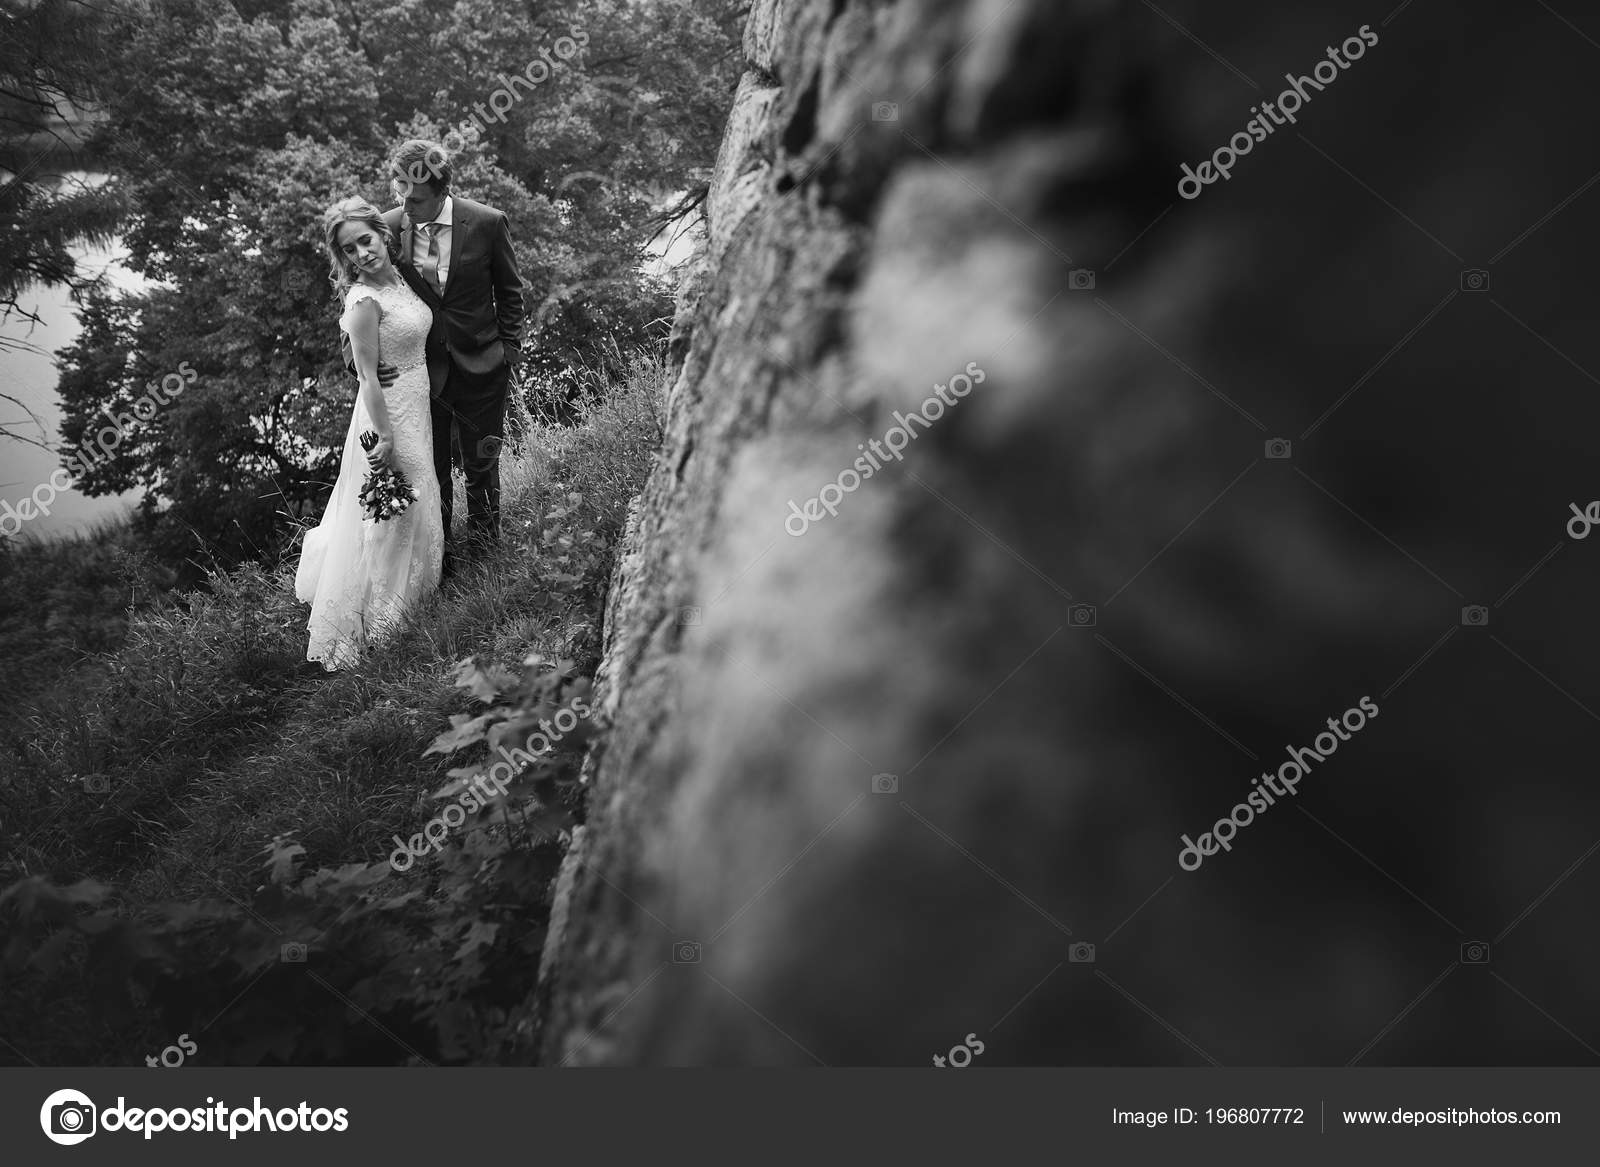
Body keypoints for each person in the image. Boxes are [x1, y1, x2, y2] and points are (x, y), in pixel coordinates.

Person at [295, 197, 444, 670]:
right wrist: (384, 435)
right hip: (388, 413)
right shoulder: (362, 300)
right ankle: (384, 620)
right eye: (349, 249)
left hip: (418, 401)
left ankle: (417, 597)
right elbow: (367, 377)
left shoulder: (402, 278)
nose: (361, 253)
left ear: (383, 235)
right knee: (398, 510)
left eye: (366, 240)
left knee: (420, 500)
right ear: (343, 258)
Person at [368, 139, 526, 576]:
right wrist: (358, 361)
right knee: (430, 474)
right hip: (418, 373)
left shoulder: (488, 223)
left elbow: (510, 293)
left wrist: (507, 351)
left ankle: (486, 556)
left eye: (415, 198)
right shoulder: (384, 227)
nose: (405, 205)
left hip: (484, 366)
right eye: (400, 192)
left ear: (442, 191)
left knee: (482, 466)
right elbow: (358, 297)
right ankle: (441, 565)